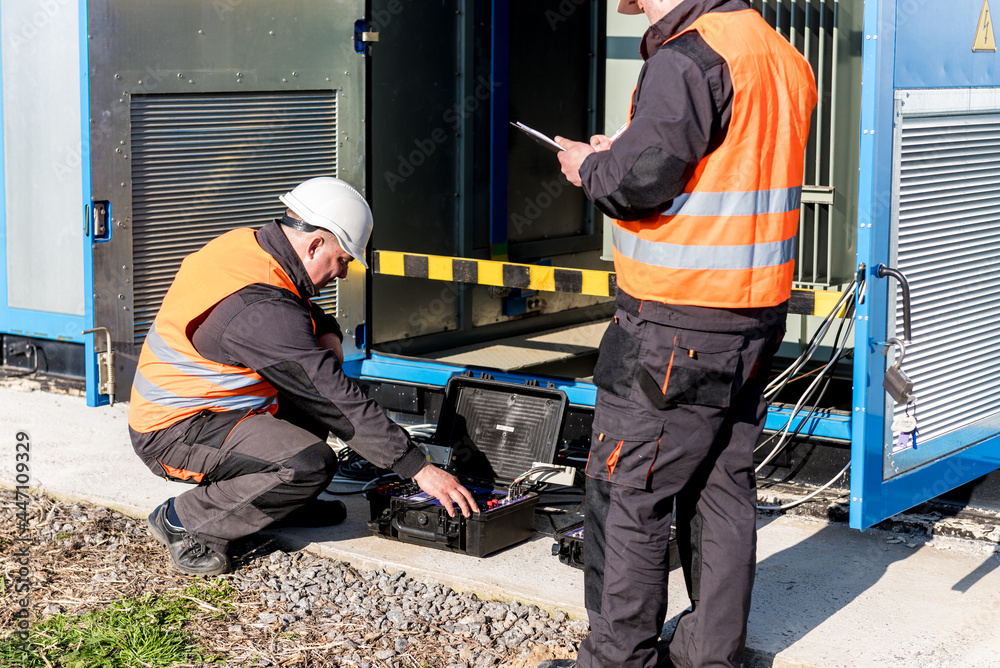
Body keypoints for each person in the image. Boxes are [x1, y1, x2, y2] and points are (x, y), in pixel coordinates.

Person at [541, 1, 816, 667]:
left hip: (675, 323)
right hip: (752, 317)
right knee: (722, 489)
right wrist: (629, 152)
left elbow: (639, 184)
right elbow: (713, 170)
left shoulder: (690, 57)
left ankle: (617, 658)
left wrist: (589, 165)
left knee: (629, 489)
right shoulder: (781, 54)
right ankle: (707, 657)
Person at [128, 176, 476, 576]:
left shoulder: (249, 243)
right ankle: (185, 520)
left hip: (218, 408)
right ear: (314, 244)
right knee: (308, 463)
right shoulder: (258, 309)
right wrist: (417, 466)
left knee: (314, 389)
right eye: (343, 260)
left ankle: (281, 502)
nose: (343, 273)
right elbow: (333, 397)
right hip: (175, 433)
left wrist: (326, 329)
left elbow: (290, 298)